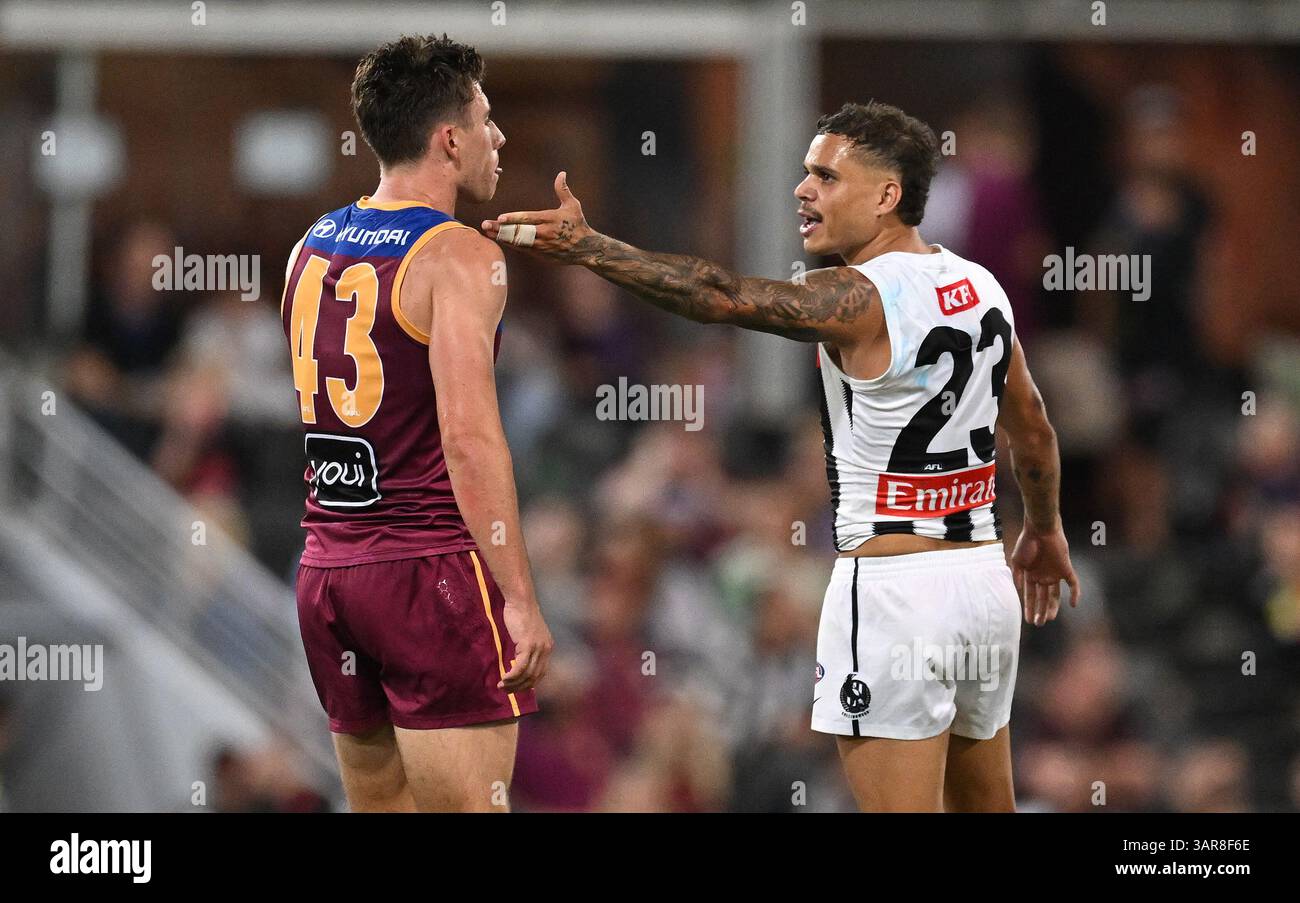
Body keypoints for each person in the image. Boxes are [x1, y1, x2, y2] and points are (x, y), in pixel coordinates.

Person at [482, 100, 1080, 812]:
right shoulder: (981, 287)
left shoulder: (857, 293)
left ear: (888, 195)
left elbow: (719, 294)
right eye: (805, 174)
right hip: (981, 583)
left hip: (895, 593)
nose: (804, 190)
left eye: (826, 177)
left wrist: (591, 248)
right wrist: (1042, 529)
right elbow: (1034, 428)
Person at [281, 34, 552, 812]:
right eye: (487, 117)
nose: (497, 137)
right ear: (449, 138)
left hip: (328, 570)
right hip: (426, 570)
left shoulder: (309, 245)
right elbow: (469, 441)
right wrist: (520, 595)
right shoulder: (458, 256)